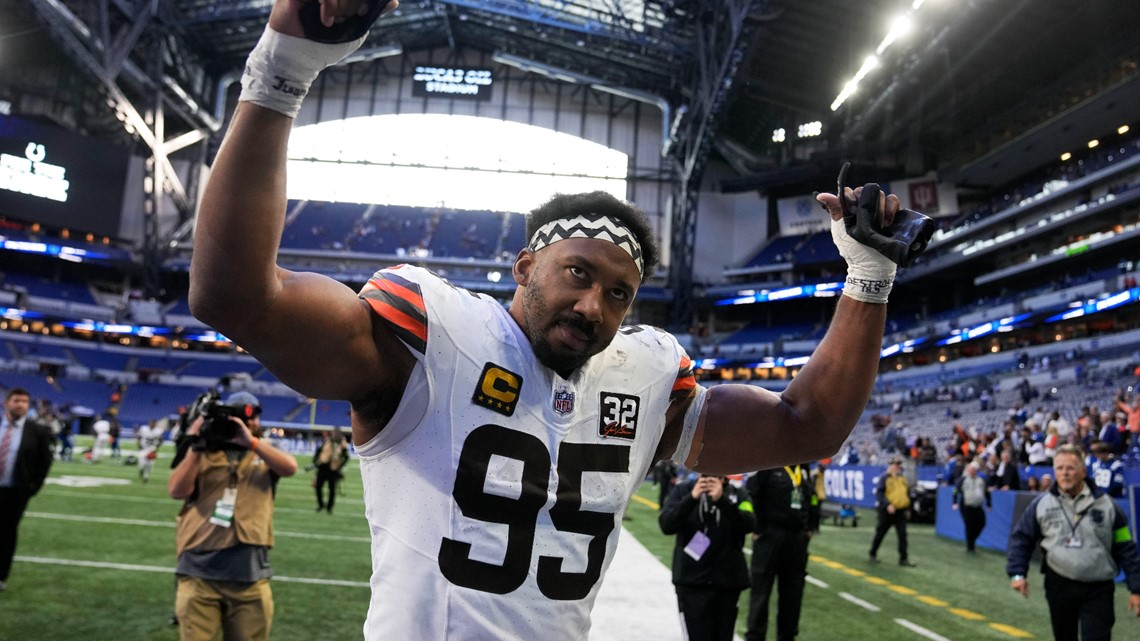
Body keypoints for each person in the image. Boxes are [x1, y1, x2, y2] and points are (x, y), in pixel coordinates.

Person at [188, 0, 912, 636]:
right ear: (525, 267)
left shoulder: (645, 376)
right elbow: (236, 297)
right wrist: (283, 68)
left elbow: (808, 425)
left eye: (620, 293)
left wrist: (870, 277)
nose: (594, 306)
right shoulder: (436, 334)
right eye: (578, 274)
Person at [167, 392, 298, 641]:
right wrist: (198, 444)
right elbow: (177, 491)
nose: (248, 423)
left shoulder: (263, 450)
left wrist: (251, 442)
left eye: (252, 418)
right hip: (199, 573)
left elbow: (289, 467)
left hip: (250, 575)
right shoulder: (202, 449)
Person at [1007, 445, 1140, 640]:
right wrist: (1017, 573)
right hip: (1058, 585)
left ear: (1083, 471)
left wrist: (1136, 588)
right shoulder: (1041, 505)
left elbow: (1126, 547)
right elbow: (1022, 538)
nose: (1065, 473)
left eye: (1070, 468)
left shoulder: (1108, 506)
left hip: (1098, 589)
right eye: (1060, 468)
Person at [658, 474, 753, 641]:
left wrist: (722, 501)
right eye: (705, 474)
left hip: (727, 582)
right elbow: (666, 524)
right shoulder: (683, 490)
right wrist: (691, 498)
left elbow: (750, 524)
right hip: (692, 582)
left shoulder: (738, 494)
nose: (710, 478)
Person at [744, 464, 820, 641]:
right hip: (770, 534)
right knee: (760, 592)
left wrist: (810, 527)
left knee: (793, 593)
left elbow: (812, 498)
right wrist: (758, 527)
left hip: (797, 538)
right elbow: (753, 493)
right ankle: (755, 637)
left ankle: (787, 636)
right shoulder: (768, 463)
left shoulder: (803, 468)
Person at [0, 388, 54, 591]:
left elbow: (44, 462)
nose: (21, 405)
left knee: (7, 533)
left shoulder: (38, 431)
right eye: (16, 400)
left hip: (15, 491)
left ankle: (1, 575)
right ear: (6, 403)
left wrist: (32, 488)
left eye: (24, 401)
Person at [869, 455, 915, 566]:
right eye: (895, 464)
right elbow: (879, 493)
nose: (897, 467)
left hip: (900, 511)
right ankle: (873, 553)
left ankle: (903, 559)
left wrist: (908, 508)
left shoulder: (902, 478)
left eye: (899, 465)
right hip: (887, 512)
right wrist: (887, 504)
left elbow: (906, 494)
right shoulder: (884, 477)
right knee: (880, 533)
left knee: (902, 535)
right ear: (891, 465)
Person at [951, 461, 991, 552]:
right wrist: (954, 502)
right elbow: (955, 490)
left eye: (974, 469)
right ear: (968, 470)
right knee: (969, 525)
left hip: (978, 506)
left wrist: (989, 503)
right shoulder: (962, 480)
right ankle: (970, 546)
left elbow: (986, 491)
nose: (973, 471)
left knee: (981, 523)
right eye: (971, 469)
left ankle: (971, 540)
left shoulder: (981, 480)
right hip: (966, 506)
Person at [312, 429, 349, 513]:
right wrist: (316, 461)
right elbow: (319, 451)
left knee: (332, 489)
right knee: (318, 487)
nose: (335, 435)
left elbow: (346, 457)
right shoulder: (327, 441)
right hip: (323, 467)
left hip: (333, 469)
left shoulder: (342, 444)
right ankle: (321, 504)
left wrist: (340, 466)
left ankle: (329, 507)